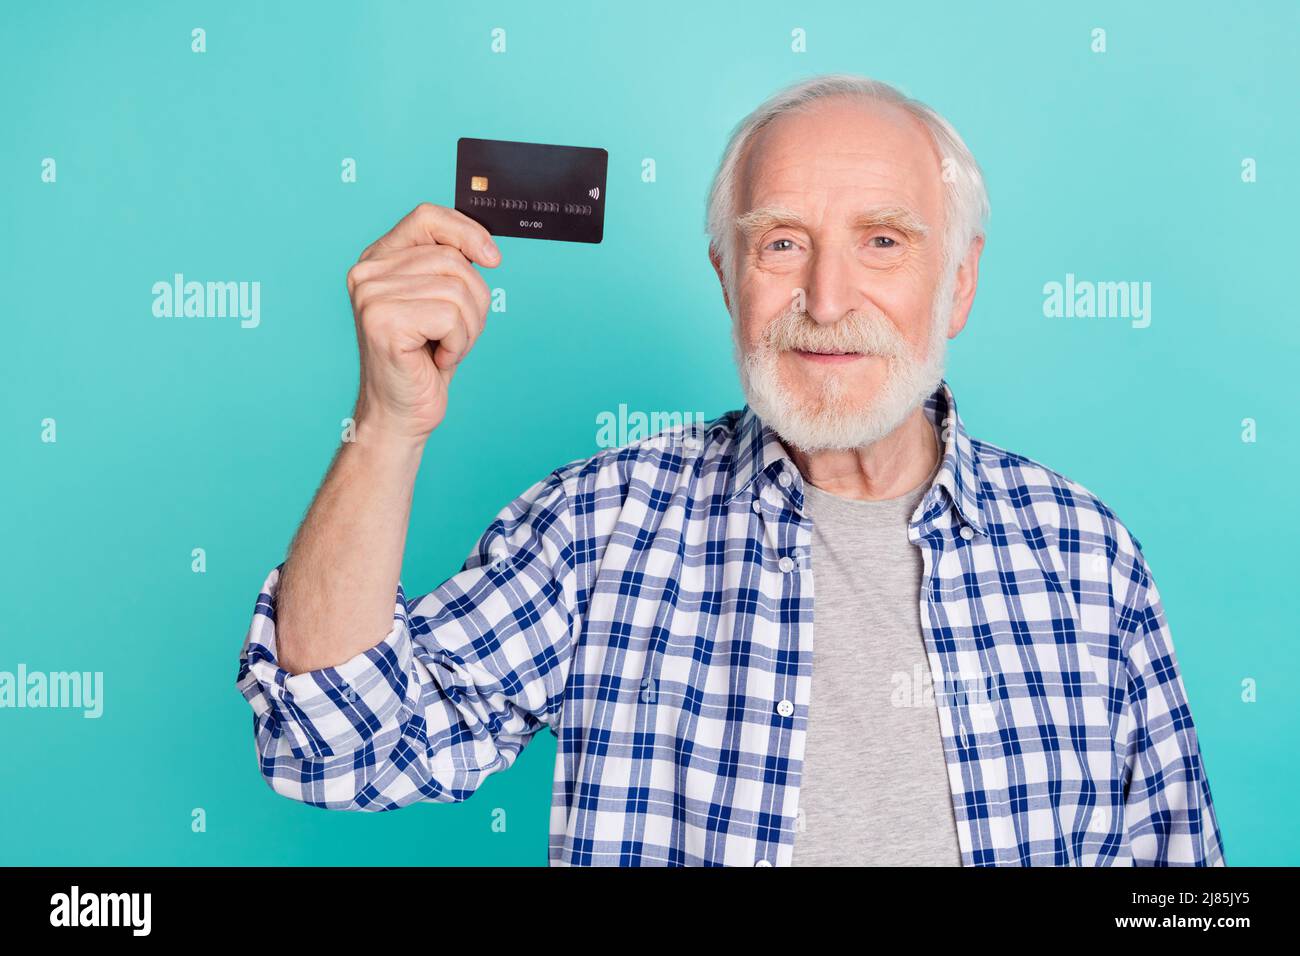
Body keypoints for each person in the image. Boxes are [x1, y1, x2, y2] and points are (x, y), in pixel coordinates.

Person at [235, 73, 1226, 867]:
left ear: (956, 282)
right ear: (726, 277)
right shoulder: (600, 527)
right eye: (781, 243)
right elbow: (332, 744)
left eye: (882, 242)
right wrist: (388, 420)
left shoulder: (1086, 554)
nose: (826, 298)